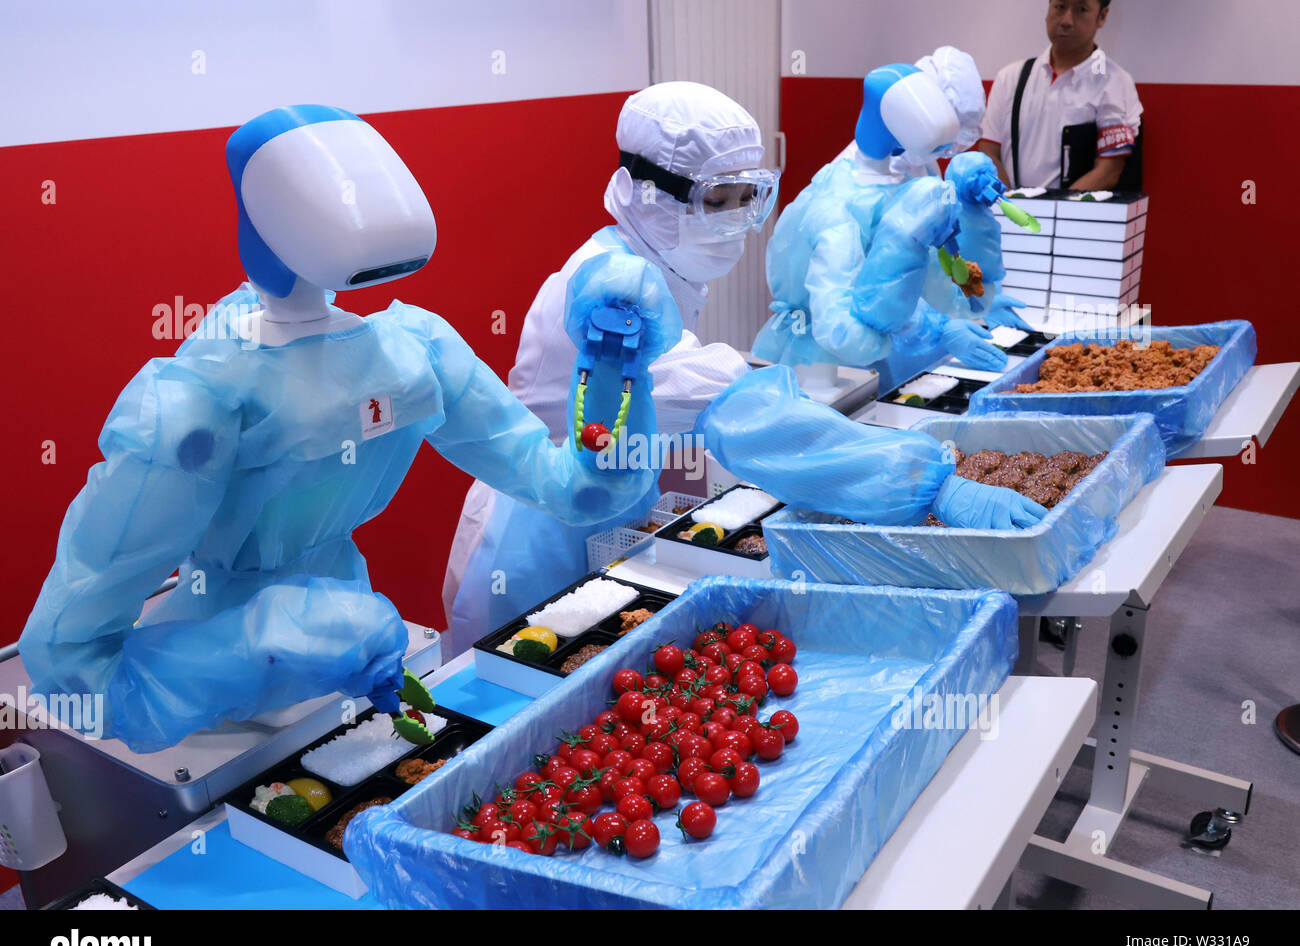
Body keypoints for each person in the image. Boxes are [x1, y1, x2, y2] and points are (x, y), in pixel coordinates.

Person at [18, 105, 664, 753]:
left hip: (358, 675)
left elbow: (581, 492)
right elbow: (70, 665)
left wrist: (611, 366)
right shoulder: (194, 413)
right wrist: (262, 638)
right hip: (212, 714)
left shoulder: (412, 354)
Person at [443, 82, 1048, 655]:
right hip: (531, 548)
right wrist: (925, 481)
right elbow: (738, 414)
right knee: (521, 718)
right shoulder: (610, 291)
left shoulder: (657, 267)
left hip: (602, 523)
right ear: (642, 194)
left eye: (745, 200)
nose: (734, 224)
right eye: (716, 202)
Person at [751, 60, 1010, 374]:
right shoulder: (840, 207)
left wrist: (975, 290)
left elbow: (927, 272)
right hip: (819, 370)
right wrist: (934, 329)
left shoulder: (900, 187)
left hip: (868, 367)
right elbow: (841, 328)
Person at [977, 0, 1142, 191]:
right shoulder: (1010, 78)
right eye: (1060, 7)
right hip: (1013, 213)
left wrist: (1056, 211)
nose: (1067, 21)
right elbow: (989, 150)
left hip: (1076, 216)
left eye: (1082, 10)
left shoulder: (1115, 82)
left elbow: (1109, 171)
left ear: (1102, 16)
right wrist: (1012, 207)